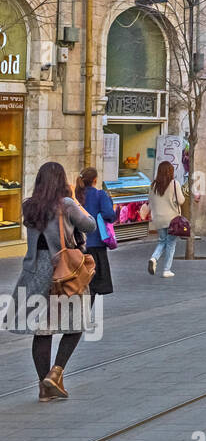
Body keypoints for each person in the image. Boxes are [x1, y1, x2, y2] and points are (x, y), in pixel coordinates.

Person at [13, 162, 97, 401]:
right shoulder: (67, 205)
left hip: (34, 272)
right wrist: (76, 201)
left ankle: (44, 386)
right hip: (64, 272)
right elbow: (89, 225)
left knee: (42, 330)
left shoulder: (29, 206)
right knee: (77, 324)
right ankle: (56, 372)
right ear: (62, 181)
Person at [75, 167, 117, 301]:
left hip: (78, 244)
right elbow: (109, 214)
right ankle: (85, 315)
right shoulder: (100, 195)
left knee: (79, 281)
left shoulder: (75, 195)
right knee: (93, 283)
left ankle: (78, 312)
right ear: (95, 180)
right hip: (96, 244)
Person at [147, 161, 185, 278]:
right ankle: (166, 270)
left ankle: (154, 258)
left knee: (162, 241)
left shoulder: (153, 185)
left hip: (158, 218)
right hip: (172, 219)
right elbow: (181, 200)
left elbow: (150, 202)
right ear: (170, 172)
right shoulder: (174, 184)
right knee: (171, 243)